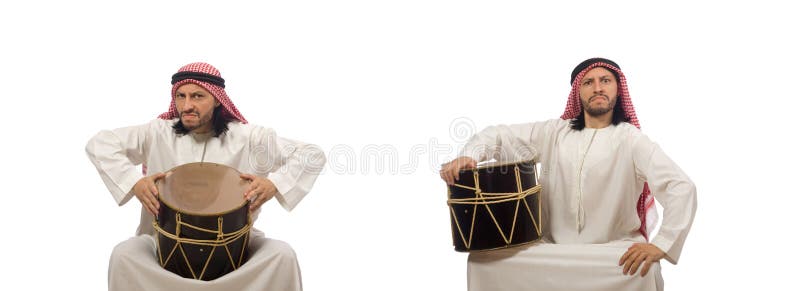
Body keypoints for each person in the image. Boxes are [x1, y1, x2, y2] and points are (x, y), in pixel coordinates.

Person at [440, 58, 697, 290]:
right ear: (578, 91)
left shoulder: (631, 140)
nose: (598, 88)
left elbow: (680, 186)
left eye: (605, 81)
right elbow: (500, 134)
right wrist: (471, 154)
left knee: (644, 269)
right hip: (552, 249)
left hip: (609, 251)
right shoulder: (554, 133)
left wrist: (662, 243)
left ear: (617, 89)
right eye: (589, 82)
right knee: (481, 261)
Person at [86, 62, 326, 290]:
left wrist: (275, 184)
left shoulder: (250, 138)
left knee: (282, 256)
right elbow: (100, 143)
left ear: (217, 100)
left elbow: (311, 155)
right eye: (181, 96)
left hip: (236, 250)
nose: (187, 105)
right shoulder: (157, 132)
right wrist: (134, 182)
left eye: (197, 96)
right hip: (162, 245)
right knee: (123, 255)